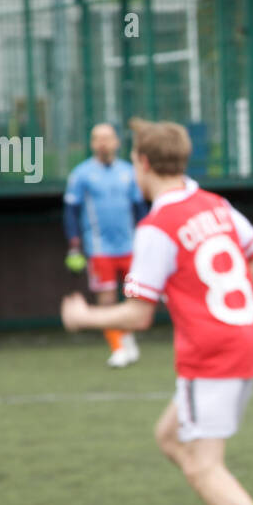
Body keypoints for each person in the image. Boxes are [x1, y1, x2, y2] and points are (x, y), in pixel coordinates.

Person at [60, 119, 253, 505]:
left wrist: (84, 316)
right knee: (169, 437)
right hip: (241, 339)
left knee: (204, 467)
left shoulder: (157, 226)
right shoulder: (214, 204)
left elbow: (139, 314)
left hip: (210, 352)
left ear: (142, 164)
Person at [63, 123, 149, 368]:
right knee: (107, 298)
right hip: (99, 249)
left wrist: (145, 238)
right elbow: (71, 211)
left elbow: (140, 209)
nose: (102, 143)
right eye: (96, 139)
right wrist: (74, 244)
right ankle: (118, 347)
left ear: (116, 142)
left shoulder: (129, 172)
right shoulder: (81, 174)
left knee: (135, 296)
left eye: (107, 138)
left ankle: (127, 339)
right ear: (91, 144)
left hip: (131, 247)